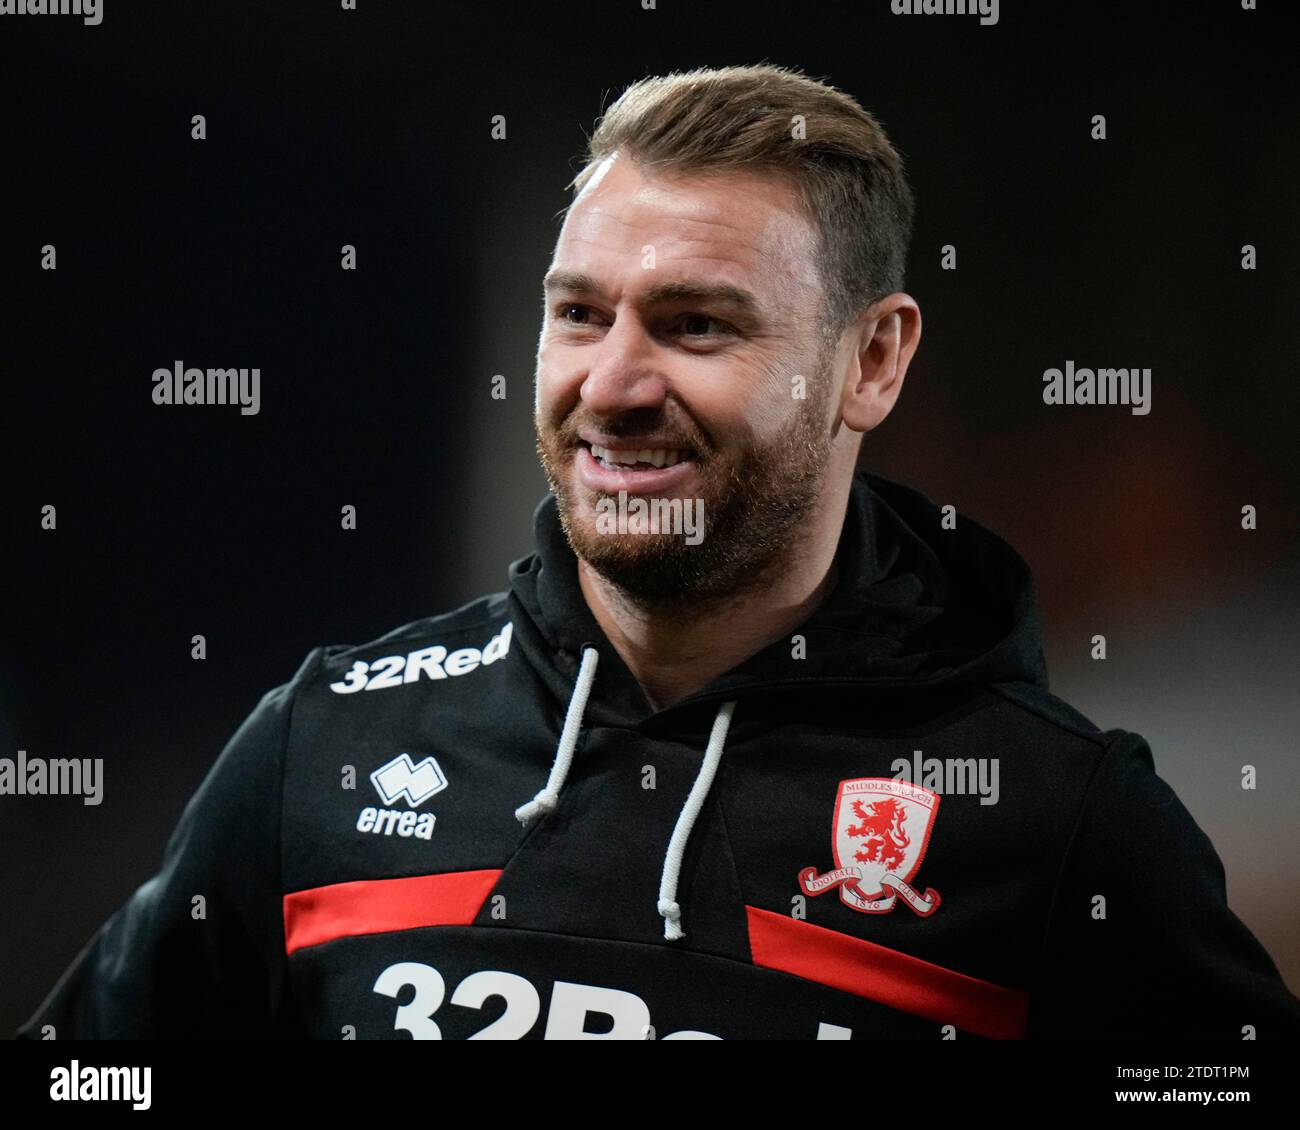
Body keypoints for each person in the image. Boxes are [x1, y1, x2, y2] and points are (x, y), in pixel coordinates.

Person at [17, 63, 1300, 1040]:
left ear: (873, 359)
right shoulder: (320, 748)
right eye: (579, 314)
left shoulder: (1062, 826)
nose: (613, 383)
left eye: (695, 324)